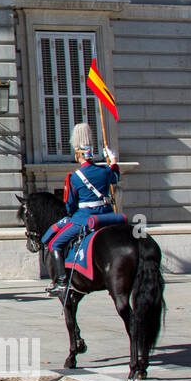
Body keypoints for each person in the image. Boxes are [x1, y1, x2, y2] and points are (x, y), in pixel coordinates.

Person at [43, 123, 120, 294]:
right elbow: (115, 177)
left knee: (56, 243)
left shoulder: (74, 177)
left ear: (79, 155)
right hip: (108, 215)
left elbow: (70, 205)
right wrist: (113, 161)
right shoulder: (105, 171)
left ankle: (62, 283)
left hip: (84, 218)